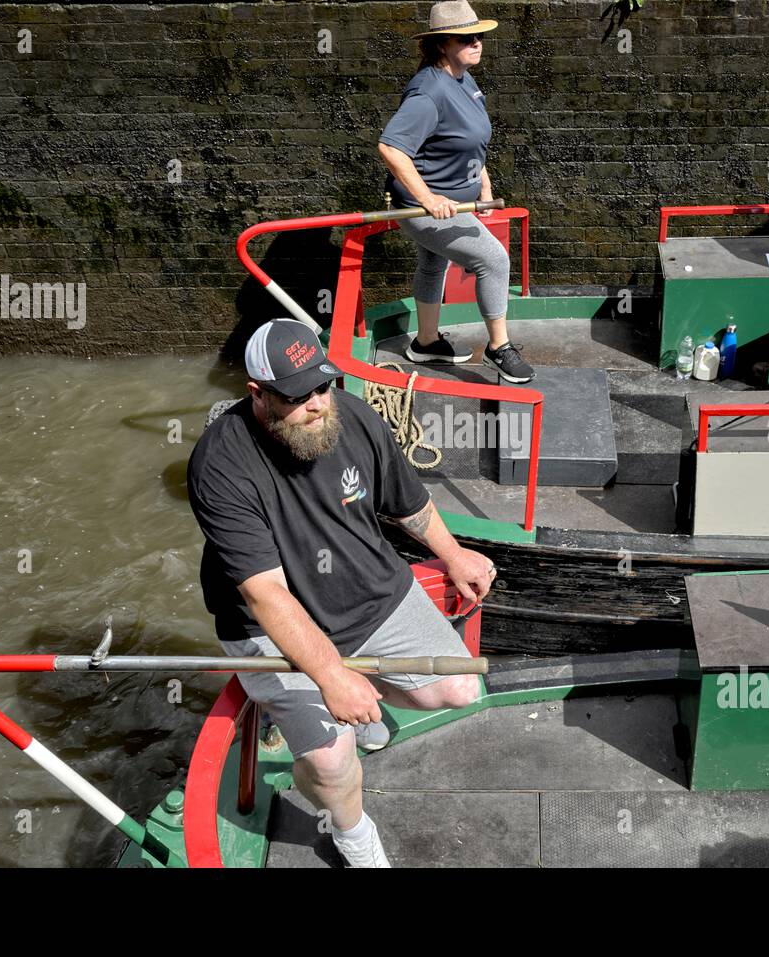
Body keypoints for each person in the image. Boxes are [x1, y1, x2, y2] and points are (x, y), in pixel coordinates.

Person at [186, 319, 496, 868]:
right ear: (257, 394)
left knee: (458, 690)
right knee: (332, 761)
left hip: (368, 589)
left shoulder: (352, 415)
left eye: (323, 386)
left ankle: (367, 700)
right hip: (270, 624)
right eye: (297, 395)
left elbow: (407, 502)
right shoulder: (220, 467)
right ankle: (352, 833)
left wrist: (453, 553)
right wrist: (331, 676)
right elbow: (265, 596)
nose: (316, 404)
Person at [377, 0, 535, 384]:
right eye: (466, 38)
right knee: (493, 261)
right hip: (421, 208)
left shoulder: (463, 78)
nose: (477, 42)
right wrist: (429, 200)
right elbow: (391, 148)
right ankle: (499, 348)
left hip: (457, 199)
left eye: (479, 35)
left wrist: (482, 180)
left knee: (434, 262)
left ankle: (426, 343)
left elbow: (467, 138)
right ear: (442, 44)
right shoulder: (429, 92)